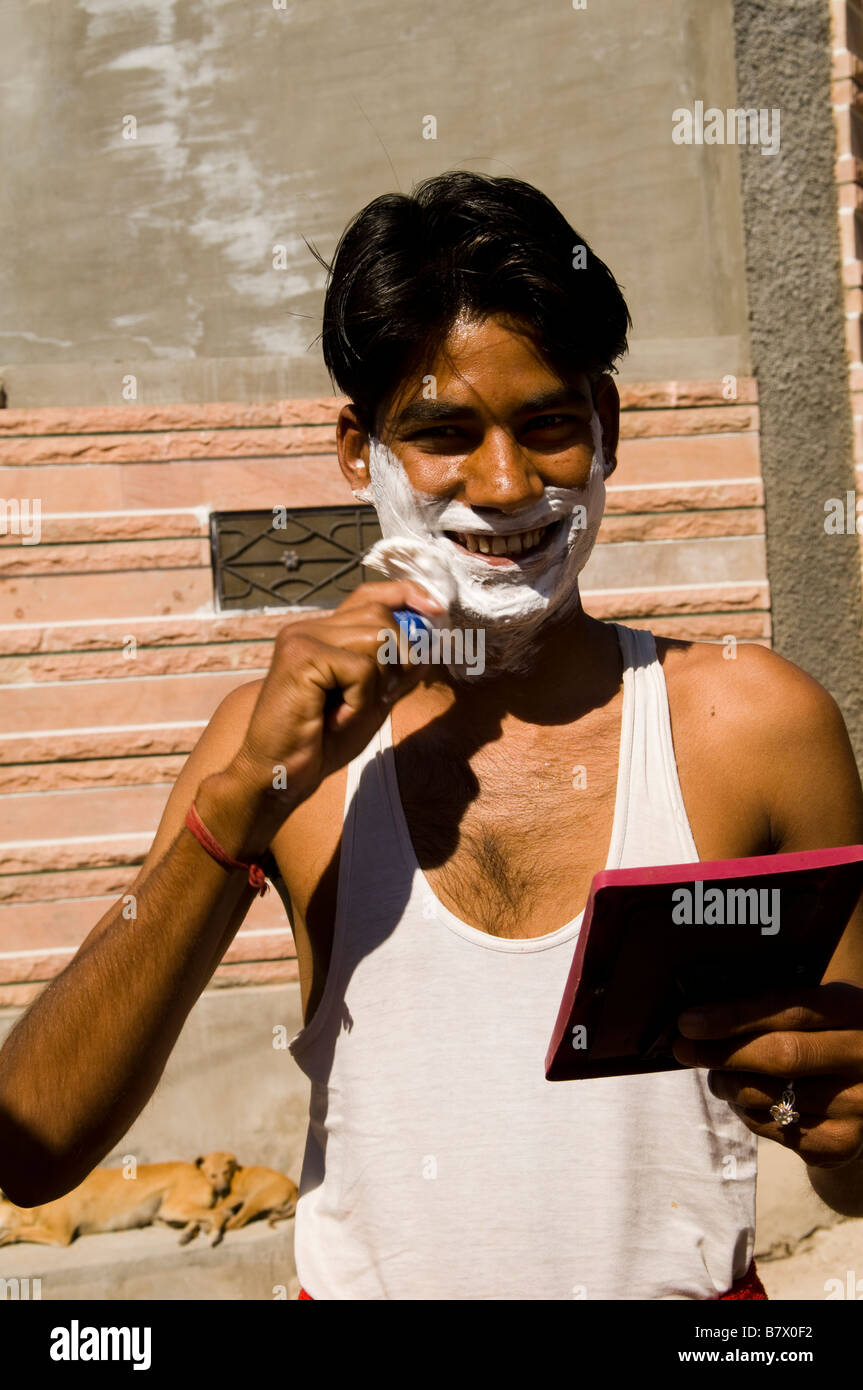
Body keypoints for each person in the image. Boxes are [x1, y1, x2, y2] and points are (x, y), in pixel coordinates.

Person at [1, 172, 862, 1300]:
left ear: (604, 428)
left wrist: (838, 1124)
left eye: (547, 423)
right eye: (443, 434)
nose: (504, 484)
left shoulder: (754, 724)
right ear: (360, 452)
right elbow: (32, 1145)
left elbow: (844, 1158)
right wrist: (237, 808)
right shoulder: (279, 748)